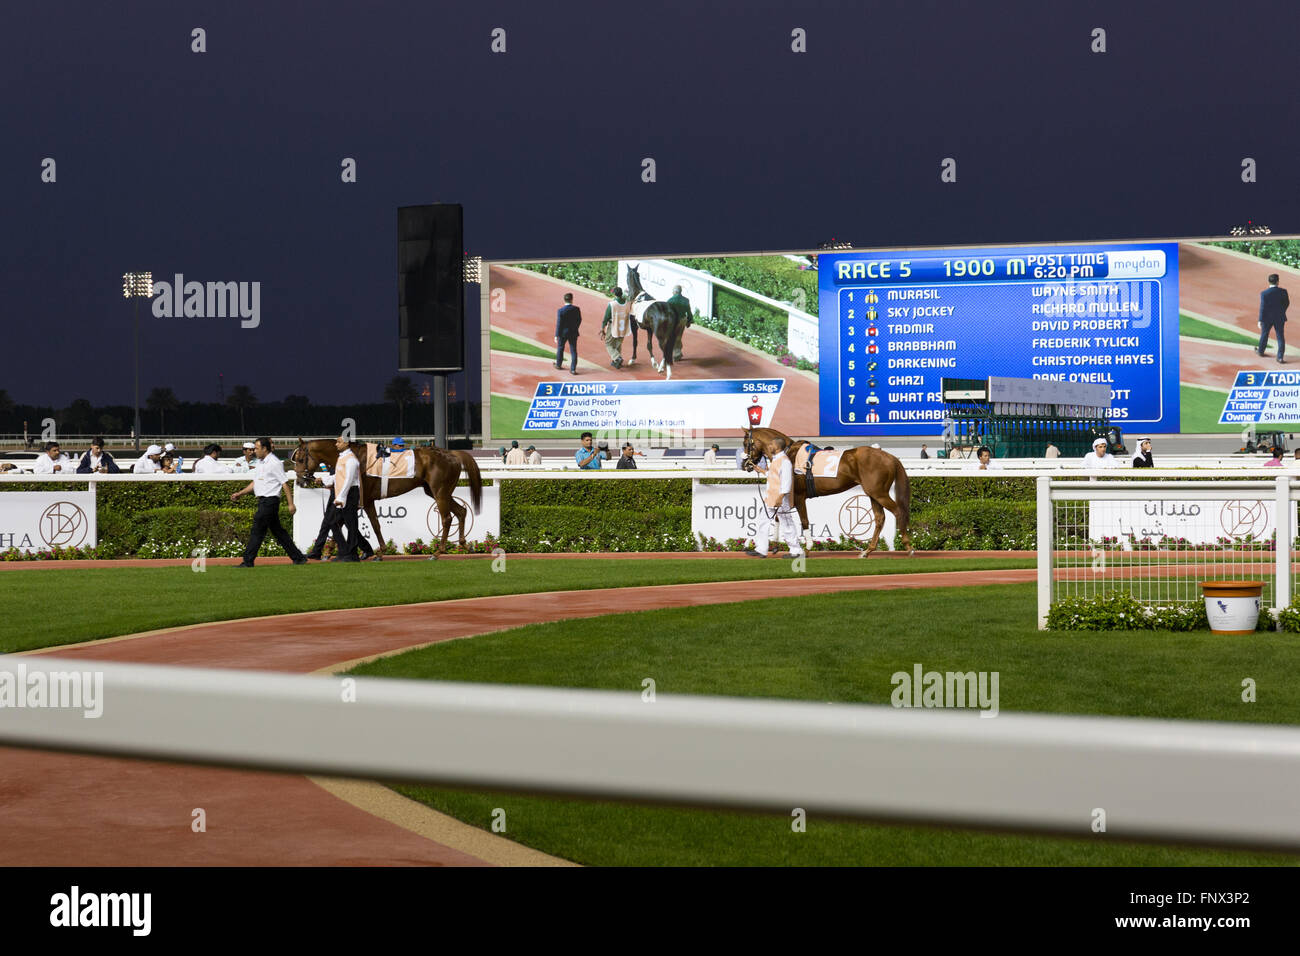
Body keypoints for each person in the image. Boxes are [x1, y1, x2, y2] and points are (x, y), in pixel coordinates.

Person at [229, 437, 308, 567]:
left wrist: (291, 504)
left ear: (265, 449)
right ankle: (298, 558)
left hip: (270, 501)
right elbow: (255, 483)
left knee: (257, 530)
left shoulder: (274, 463)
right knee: (278, 532)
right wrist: (240, 493)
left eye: (256, 448)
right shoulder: (261, 463)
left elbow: (284, 483)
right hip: (264, 501)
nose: (254, 451)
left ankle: (248, 561)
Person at [745, 437, 805, 559]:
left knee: (786, 523)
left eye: (771, 444)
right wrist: (761, 470)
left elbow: (786, 482)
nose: (769, 446)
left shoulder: (785, 461)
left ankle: (796, 550)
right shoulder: (776, 460)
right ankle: (761, 549)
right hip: (771, 497)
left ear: (777, 447)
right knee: (763, 521)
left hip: (780, 499)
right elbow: (773, 475)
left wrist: (780, 498)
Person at [1257, 273, 1290, 364]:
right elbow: (1287, 303)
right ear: (1278, 282)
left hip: (1267, 318)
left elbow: (1263, 307)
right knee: (1280, 337)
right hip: (1279, 317)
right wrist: (1282, 311)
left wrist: (1260, 320)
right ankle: (1280, 357)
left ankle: (1260, 351)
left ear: (1269, 281)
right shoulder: (1283, 291)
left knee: (1264, 334)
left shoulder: (1264, 294)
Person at [600, 286, 632, 369]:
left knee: (608, 343)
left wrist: (602, 328)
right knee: (618, 343)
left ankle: (617, 357)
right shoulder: (627, 303)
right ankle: (616, 362)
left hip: (614, 326)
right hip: (623, 326)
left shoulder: (612, 304)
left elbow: (606, 317)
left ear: (614, 294)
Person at [554, 292, 581, 375]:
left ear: (564, 300)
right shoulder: (576, 309)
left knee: (560, 348)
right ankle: (573, 369)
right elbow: (579, 320)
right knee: (573, 350)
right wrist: (575, 328)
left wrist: (556, 335)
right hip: (573, 332)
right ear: (572, 299)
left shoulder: (561, 311)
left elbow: (559, 324)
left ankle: (558, 364)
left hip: (563, 333)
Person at [666, 284, 692, 361]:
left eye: (673, 291)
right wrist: (689, 321)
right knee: (679, 336)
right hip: (682, 321)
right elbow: (689, 312)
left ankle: (675, 354)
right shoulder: (686, 300)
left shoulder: (670, 300)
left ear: (675, 292)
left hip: (673, 321)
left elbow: (667, 313)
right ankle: (677, 353)